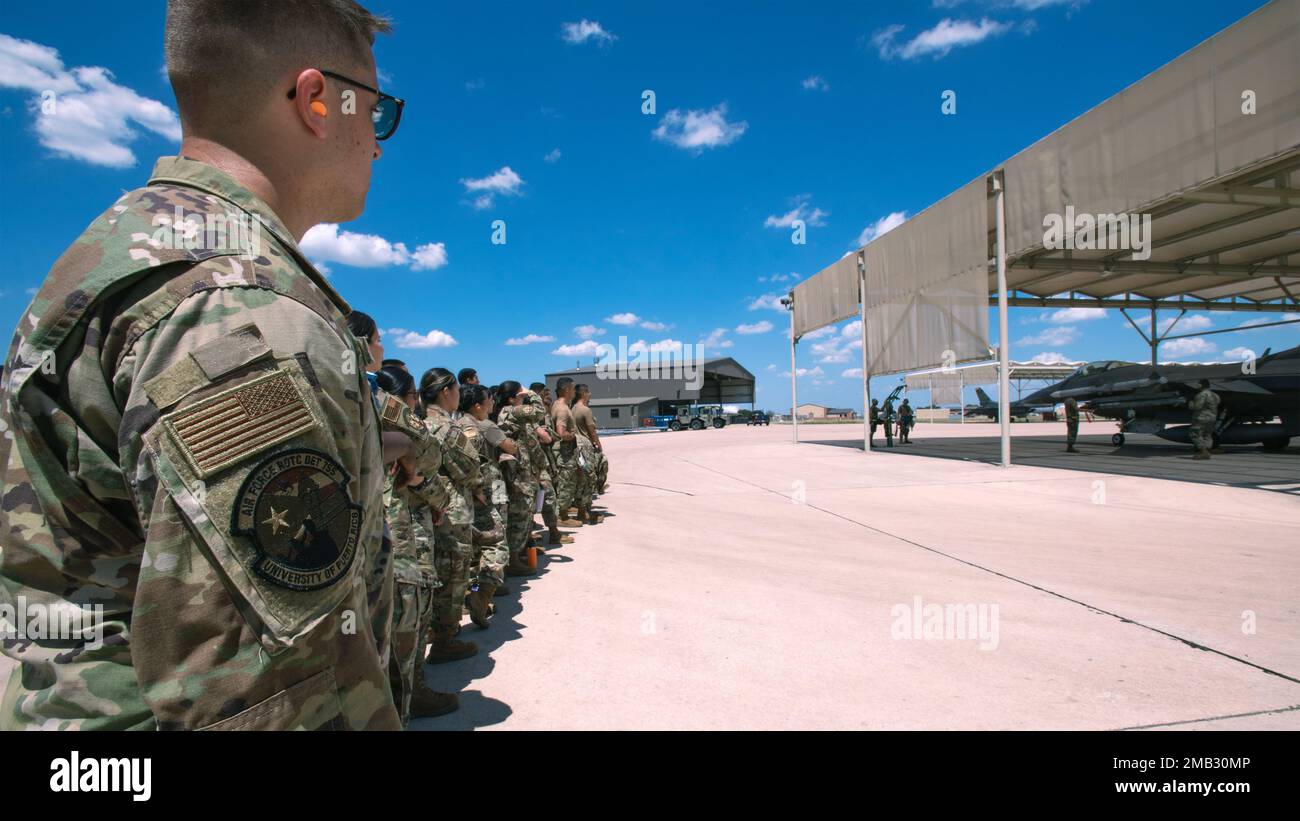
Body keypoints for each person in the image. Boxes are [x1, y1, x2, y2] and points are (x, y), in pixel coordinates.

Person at [0, 0, 402, 730]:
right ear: (317, 100)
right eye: (376, 113)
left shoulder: (123, 253)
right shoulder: (237, 310)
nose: (377, 145)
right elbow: (273, 699)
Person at [376, 365, 457, 720]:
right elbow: (428, 458)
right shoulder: (387, 408)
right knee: (409, 617)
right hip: (401, 531)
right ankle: (406, 701)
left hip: (374, 529)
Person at [418, 368, 481, 662]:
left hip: (428, 510)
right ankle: (446, 640)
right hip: (453, 511)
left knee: (436, 573)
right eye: (455, 390)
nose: (458, 396)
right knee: (454, 575)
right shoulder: (445, 428)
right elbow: (469, 470)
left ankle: (434, 630)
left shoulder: (416, 422)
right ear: (446, 392)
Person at [457, 383, 512, 626]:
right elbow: (473, 467)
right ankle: (482, 592)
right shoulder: (475, 428)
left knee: (474, 551)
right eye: (489, 400)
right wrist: (479, 493)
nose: (492, 403)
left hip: (476, 495)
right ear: (477, 405)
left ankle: (476, 591)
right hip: (484, 495)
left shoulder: (459, 424)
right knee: (496, 543)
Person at [550, 377, 585, 526]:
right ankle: (562, 517)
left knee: (566, 483)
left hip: (565, 453)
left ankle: (563, 514)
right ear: (566, 390)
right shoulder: (563, 409)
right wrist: (574, 437)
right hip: (565, 453)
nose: (574, 392)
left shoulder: (557, 405)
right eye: (572, 389)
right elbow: (561, 432)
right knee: (566, 484)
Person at [573, 385, 609, 507]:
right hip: (586, 448)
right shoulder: (585, 410)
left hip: (576, 448)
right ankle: (585, 507)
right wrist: (599, 446)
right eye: (588, 392)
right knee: (592, 474)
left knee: (581, 475)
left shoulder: (572, 409)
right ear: (583, 393)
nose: (590, 394)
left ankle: (578, 504)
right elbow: (592, 431)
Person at [1189, 379, 1220, 460]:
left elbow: (1197, 407)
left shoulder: (1201, 395)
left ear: (1200, 385)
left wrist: (1191, 404)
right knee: (1208, 434)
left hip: (1201, 417)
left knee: (1194, 433)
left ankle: (1203, 451)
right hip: (1212, 417)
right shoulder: (1215, 395)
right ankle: (1207, 450)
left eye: (1198, 384)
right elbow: (1218, 402)